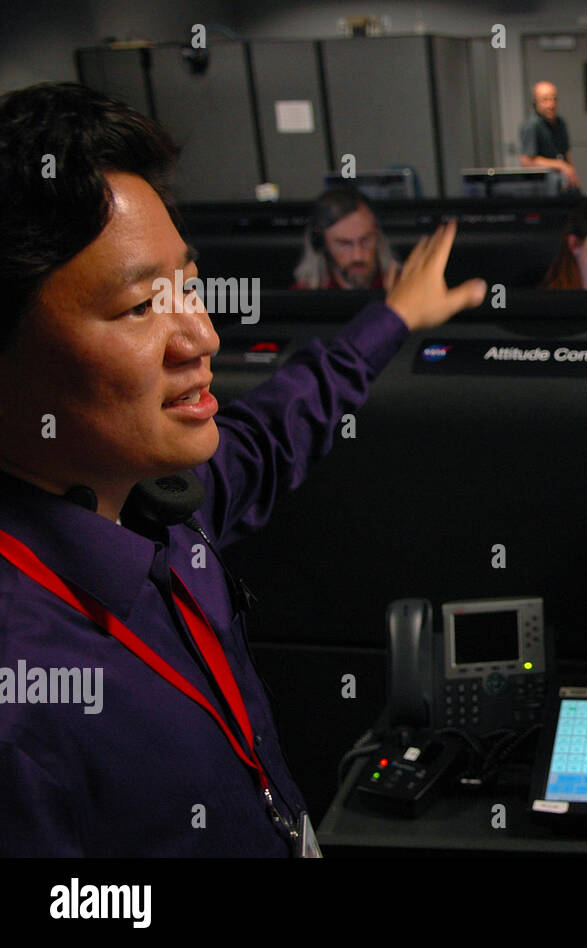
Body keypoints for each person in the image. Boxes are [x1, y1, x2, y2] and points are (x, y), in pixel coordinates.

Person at [0, 82, 485, 856]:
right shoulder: (22, 695)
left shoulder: (150, 504)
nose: (202, 336)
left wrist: (392, 319)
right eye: (138, 309)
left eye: (187, 287)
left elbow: (270, 434)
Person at [292, 187, 401, 290]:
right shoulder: (301, 298)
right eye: (344, 244)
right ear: (321, 242)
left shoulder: (404, 288)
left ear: (377, 235)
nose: (358, 256)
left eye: (366, 240)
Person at [519, 80, 580, 191]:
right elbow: (527, 161)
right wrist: (560, 165)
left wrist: (572, 173)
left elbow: (566, 153)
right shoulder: (532, 125)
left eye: (554, 99)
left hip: (563, 182)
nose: (551, 104)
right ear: (535, 102)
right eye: (545, 100)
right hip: (541, 186)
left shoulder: (560, 123)